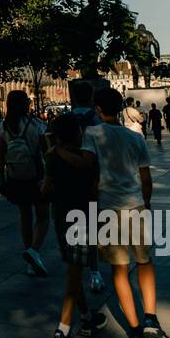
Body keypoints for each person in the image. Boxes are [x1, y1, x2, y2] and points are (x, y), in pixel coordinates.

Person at [56, 87, 170, 338]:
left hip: (108, 208)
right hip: (136, 205)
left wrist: (58, 151)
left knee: (119, 269)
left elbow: (84, 164)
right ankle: (151, 318)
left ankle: (134, 333)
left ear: (97, 109)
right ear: (120, 108)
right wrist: (146, 204)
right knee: (145, 262)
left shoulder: (92, 134)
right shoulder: (135, 138)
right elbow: (146, 179)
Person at [44, 113, 106, 338]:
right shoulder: (88, 157)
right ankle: (63, 329)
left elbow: (45, 188)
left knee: (73, 267)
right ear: (77, 133)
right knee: (74, 273)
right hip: (82, 216)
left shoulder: (52, 158)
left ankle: (88, 317)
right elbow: (94, 189)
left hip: (61, 215)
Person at [0, 90, 49, 278]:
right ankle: (34, 251)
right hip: (36, 177)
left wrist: (1, 180)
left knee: (25, 217)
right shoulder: (37, 125)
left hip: (15, 177)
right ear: (25, 104)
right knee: (43, 217)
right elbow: (47, 153)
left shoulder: (4, 126)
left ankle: (30, 259)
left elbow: (1, 157)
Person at [67, 80, 105, 294]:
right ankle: (94, 270)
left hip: (71, 177)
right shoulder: (96, 120)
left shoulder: (65, 119)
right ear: (91, 97)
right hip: (93, 176)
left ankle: (74, 269)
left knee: (74, 223)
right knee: (93, 222)